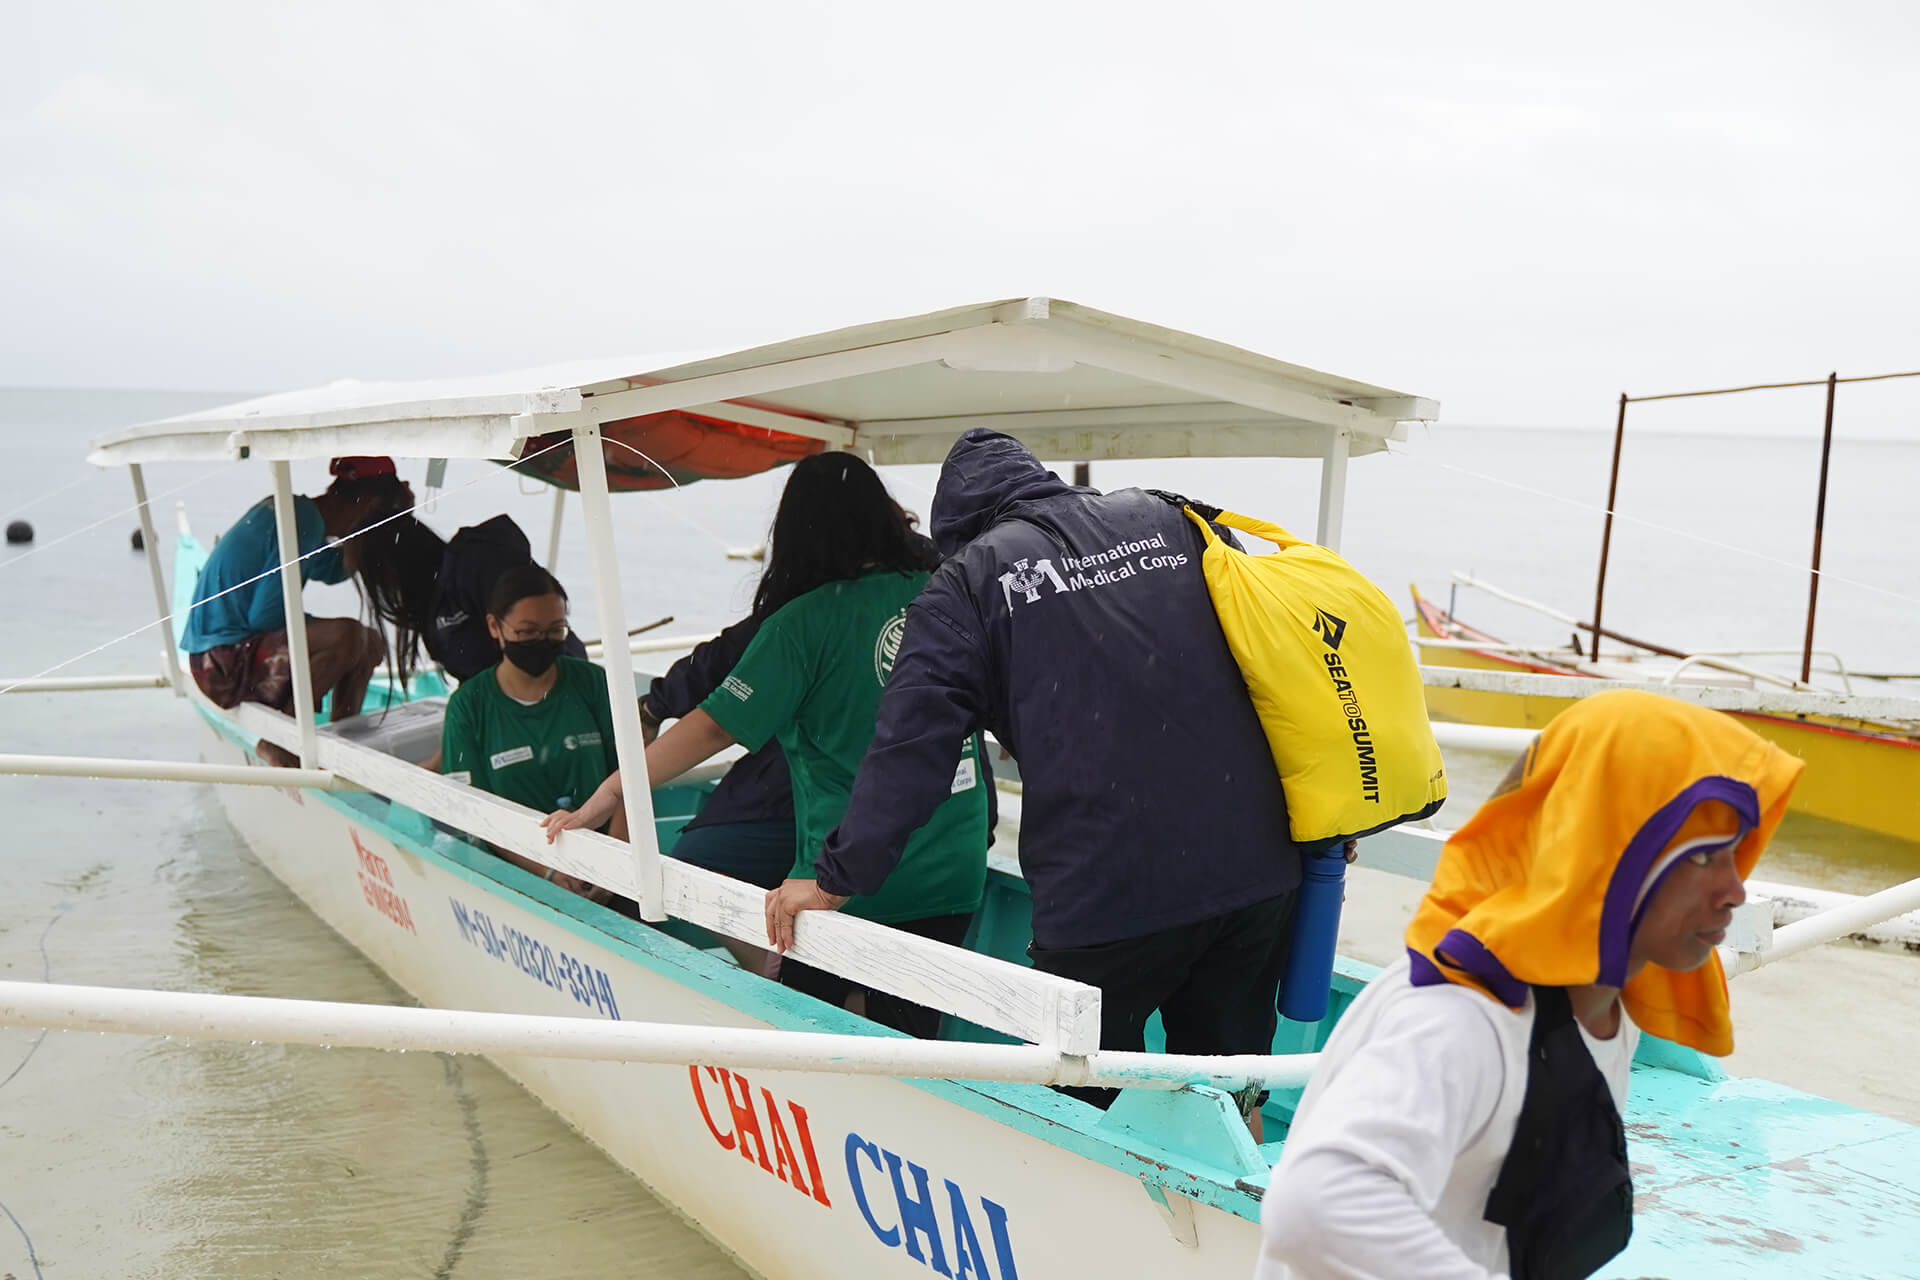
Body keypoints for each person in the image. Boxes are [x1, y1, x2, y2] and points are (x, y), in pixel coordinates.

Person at [770, 429, 1313, 1124]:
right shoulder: (1173, 518)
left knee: (1078, 1093)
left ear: (955, 528)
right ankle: (1227, 1219)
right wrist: (1326, 812)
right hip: (1256, 868)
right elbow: (1280, 660)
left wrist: (836, 875)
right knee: (1228, 1089)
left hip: (1110, 887)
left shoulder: (963, 584)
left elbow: (911, 751)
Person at [1256, 690, 1804, 1280]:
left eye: (1734, 856)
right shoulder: (1462, 1017)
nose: (1735, 891)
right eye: (1701, 859)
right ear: (1606, 855)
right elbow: (1315, 1207)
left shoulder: (1604, 1008)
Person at [546, 452, 990, 1038]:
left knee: (809, 1038)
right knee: (912, 1039)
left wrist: (605, 795)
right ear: (886, 517)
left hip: (843, 884)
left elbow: (709, 727)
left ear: (799, 532)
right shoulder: (949, 593)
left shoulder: (802, 625)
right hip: (953, 869)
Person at [182, 456, 415, 763]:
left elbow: (332, 570)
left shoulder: (301, 515)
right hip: (220, 664)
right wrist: (331, 637)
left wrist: (364, 542)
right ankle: (280, 743)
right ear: (368, 504)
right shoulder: (301, 521)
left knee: (368, 643)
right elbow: (264, 617)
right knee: (348, 636)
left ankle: (344, 739)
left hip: (219, 655)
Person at [440, 564, 621, 899]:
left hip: (605, 864)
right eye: (527, 632)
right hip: (513, 875)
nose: (541, 642)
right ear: (495, 626)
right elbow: (473, 811)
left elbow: (630, 783)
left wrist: (617, 868)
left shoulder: (593, 684)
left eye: (555, 631)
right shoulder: (469, 705)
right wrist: (548, 872)